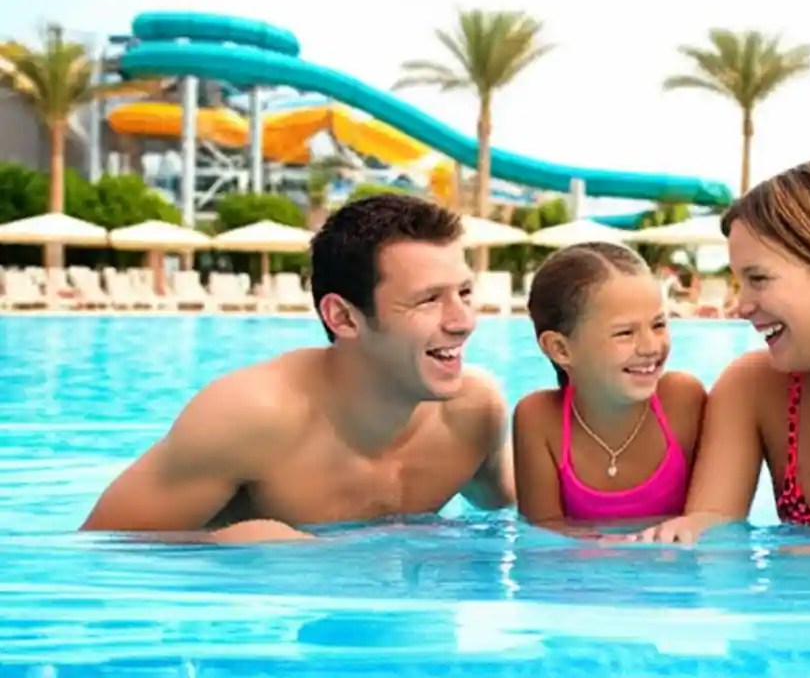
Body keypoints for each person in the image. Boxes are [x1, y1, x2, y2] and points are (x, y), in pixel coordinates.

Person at [79, 193, 515, 543]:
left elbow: (528, 524)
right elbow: (102, 549)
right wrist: (229, 546)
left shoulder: (474, 413)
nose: (463, 321)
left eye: (465, 292)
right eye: (428, 299)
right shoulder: (251, 418)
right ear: (343, 318)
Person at [633, 158, 810, 544]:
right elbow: (711, 528)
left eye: (759, 278)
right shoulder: (754, 388)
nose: (742, 306)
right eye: (739, 283)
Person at [513, 242, 706, 535]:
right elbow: (542, 534)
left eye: (658, 325)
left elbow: (709, 519)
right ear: (561, 349)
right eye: (625, 333)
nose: (651, 347)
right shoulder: (539, 420)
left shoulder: (682, 401)